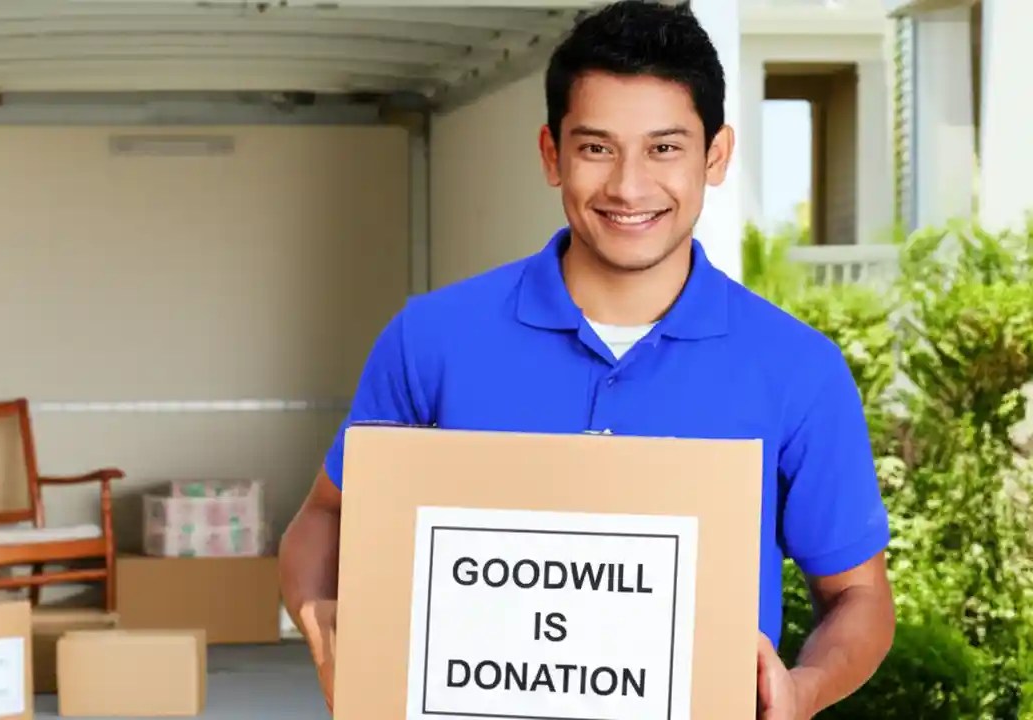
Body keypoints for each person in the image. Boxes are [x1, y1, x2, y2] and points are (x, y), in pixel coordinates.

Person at [278, 2, 895, 718]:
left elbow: (858, 597)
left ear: (715, 156)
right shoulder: (433, 339)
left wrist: (804, 690)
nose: (629, 187)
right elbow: (324, 518)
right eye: (597, 148)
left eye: (664, 148)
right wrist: (323, 620)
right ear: (552, 154)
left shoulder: (798, 370)